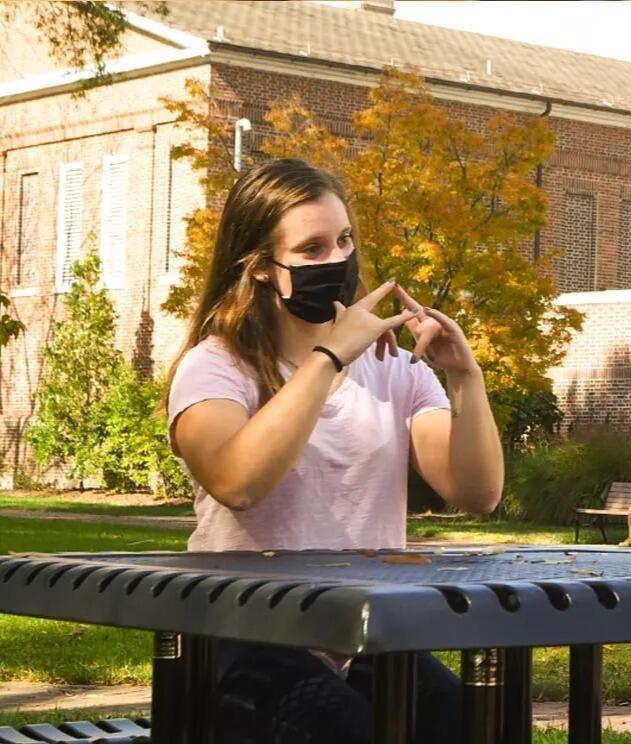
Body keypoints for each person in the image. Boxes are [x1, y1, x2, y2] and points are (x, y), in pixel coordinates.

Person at [164, 158, 503, 743]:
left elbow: (477, 492)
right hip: (246, 632)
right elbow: (238, 482)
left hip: (368, 633)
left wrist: (464, 377)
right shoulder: (215, 367)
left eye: (344, 241)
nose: (337, 262)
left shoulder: (395, 369)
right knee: (343, 729)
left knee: (479, 725)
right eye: (312, 249)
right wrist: (329, 359)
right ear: (262, 268)